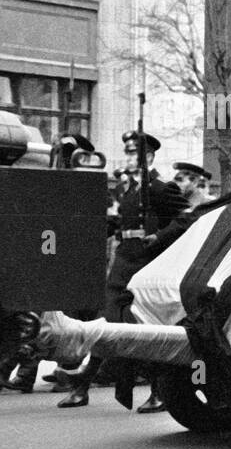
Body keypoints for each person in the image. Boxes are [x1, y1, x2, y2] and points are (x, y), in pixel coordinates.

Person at [57, 132, 189, 411]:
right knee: (107, 322)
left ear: (149, 157)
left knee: (145, 326)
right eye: (127, 153)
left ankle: (158, 390)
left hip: (149, 263)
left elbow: (187, 219)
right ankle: (84, 382)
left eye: (134, 154)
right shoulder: (126, 189)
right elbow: (113, 224)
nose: (128, 158)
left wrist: (159, 237)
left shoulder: (162, 188)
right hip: (123, 261)